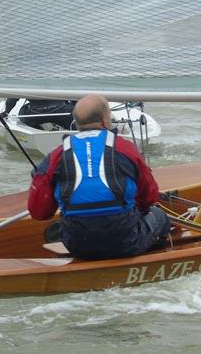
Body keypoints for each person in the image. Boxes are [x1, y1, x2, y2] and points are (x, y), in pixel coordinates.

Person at [27, 94, 171, 259]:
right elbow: (149, 197)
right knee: (159, 217)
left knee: (58, 227)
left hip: (77, 245)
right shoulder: (125, 148)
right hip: (125, 242)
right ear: (105, 119)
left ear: (77, 122)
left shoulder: (56, 155)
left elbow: (39, 213)